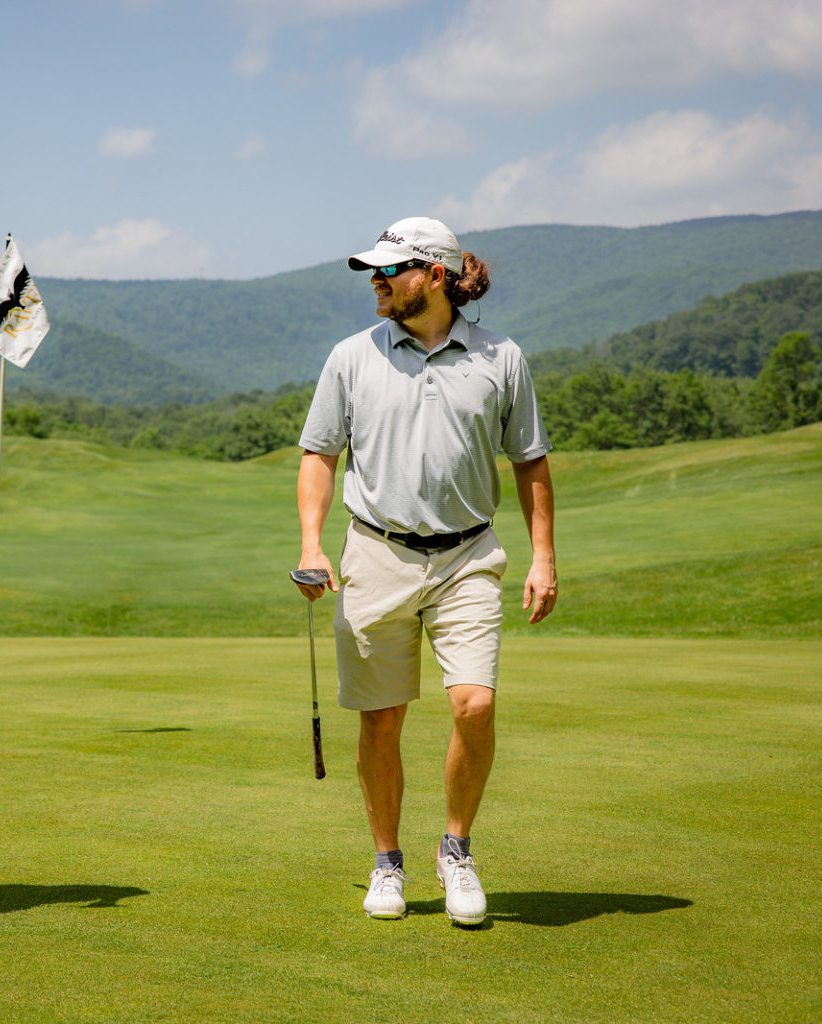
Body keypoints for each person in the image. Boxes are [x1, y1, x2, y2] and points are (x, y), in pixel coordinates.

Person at [294, 217, 557, 925]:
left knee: (474, 704)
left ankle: (456, 848)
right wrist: (313, 545)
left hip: (469, 554)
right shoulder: (351, 357)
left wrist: (544, 558)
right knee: (381, 722)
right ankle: (387, 863)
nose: (376, 283)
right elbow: (319, 455)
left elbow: (530, 459)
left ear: (434, 276)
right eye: (373, 273)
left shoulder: (502, 359)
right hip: (375, 554)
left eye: (390, 271)